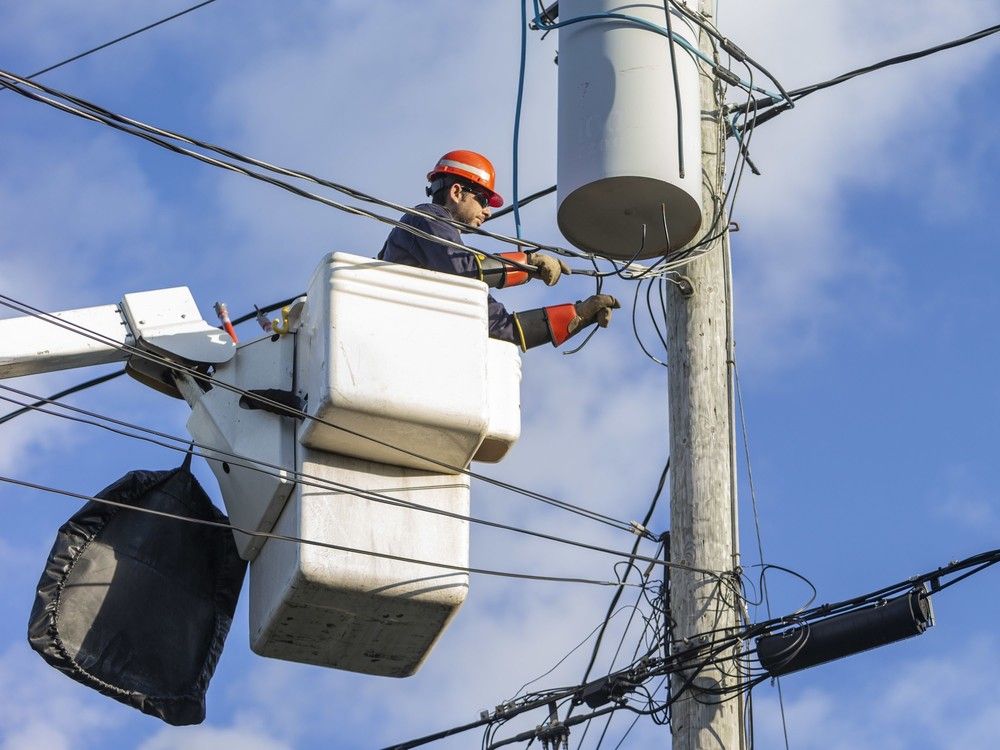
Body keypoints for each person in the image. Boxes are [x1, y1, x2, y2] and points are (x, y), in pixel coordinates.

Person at [379, 150, 619, 351]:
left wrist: (578, 314)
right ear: (456, 192)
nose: (488, 212)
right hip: (390, 334)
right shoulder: (424, 219)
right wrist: (529, 264)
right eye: (483, 200)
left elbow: (502, 329)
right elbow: (463, 268)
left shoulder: (457, 273)